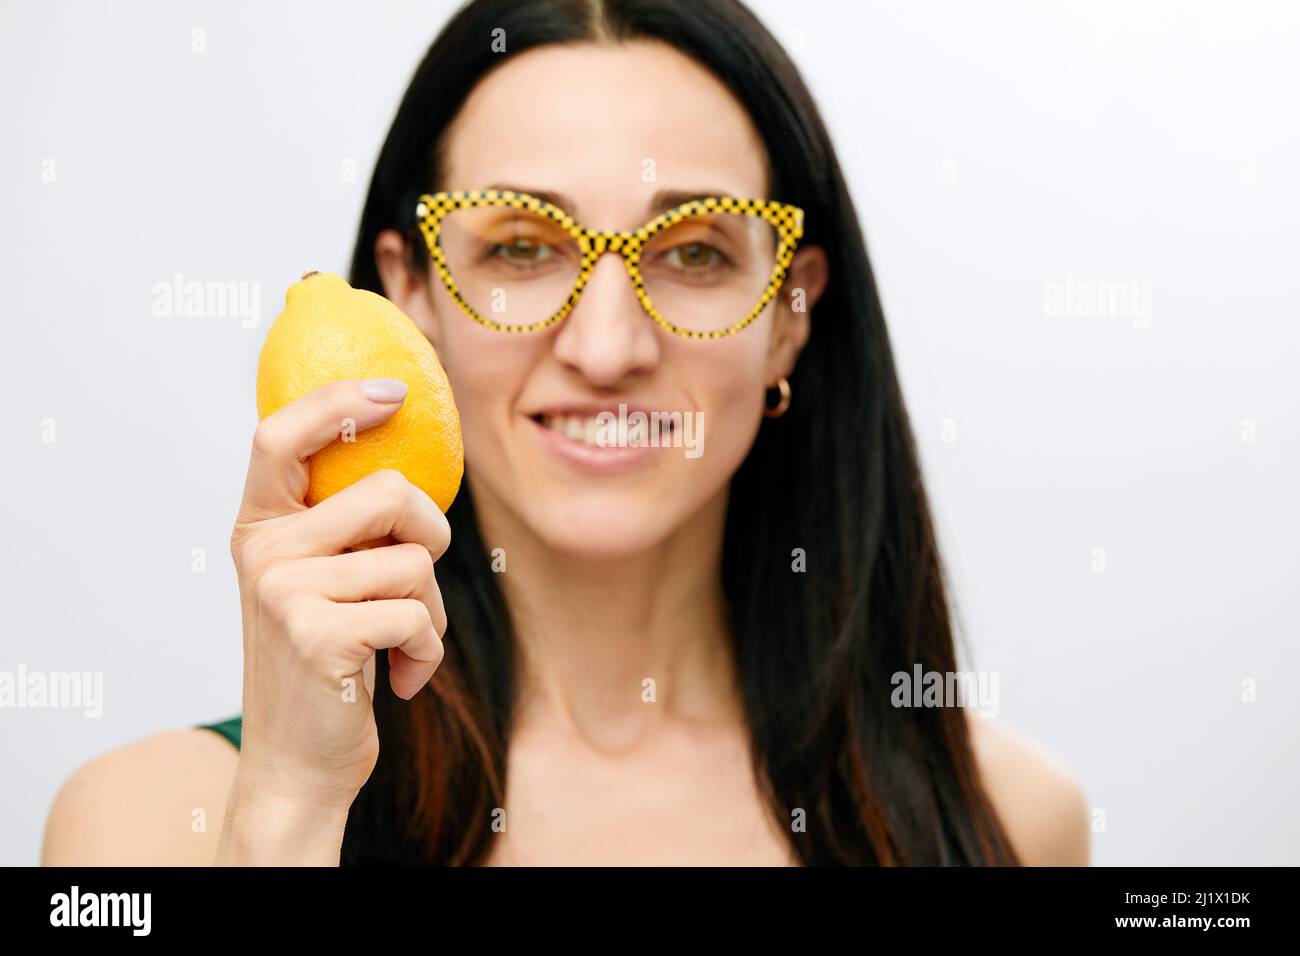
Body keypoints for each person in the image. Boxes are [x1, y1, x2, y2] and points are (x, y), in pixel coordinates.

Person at [42, 0, 1088, 866]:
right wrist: (287, 813)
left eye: (693, 253)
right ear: (410, 297)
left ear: (788, 318)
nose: (605, 345)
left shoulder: (1013, 821)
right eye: (521, 245)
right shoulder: (152, 826)